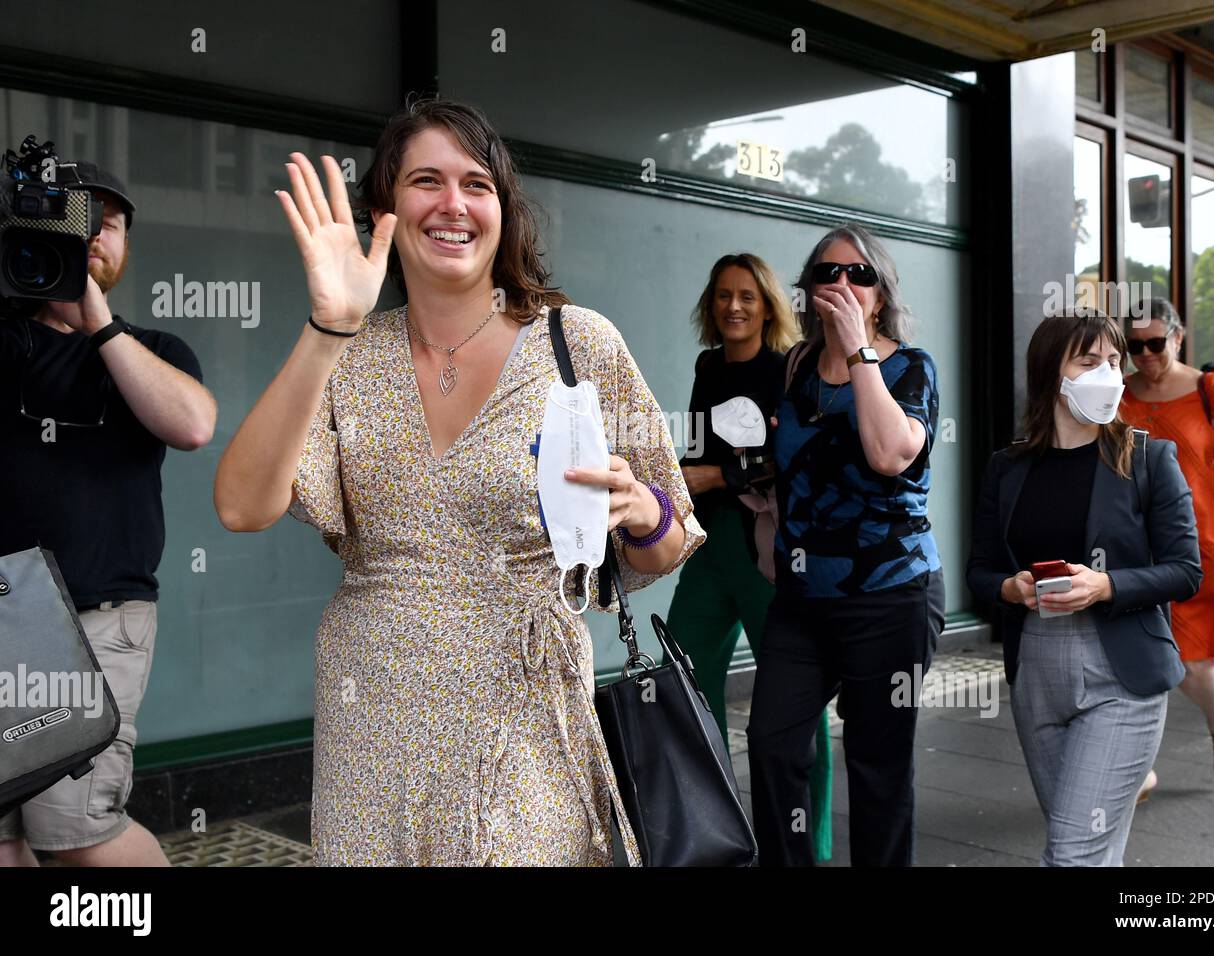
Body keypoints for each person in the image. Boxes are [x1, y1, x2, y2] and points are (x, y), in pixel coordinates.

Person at [213, 98, 704, 866]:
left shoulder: (577, 343)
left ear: (503, 209)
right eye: (425, 182)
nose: (452, 204)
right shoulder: (347, 357)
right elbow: (242, 505)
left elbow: (666, 548)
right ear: (386, 208)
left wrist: (644, 511)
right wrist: (326, 327)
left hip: (527, 711)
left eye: (476, 184)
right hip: (369, 713)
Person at [0, 163, 215, 867]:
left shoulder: (152, 350)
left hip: (92, 618)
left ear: (123, 247)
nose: (89, 235)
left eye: (107, 224)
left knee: (80, 833)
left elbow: (191, 425)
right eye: (70, 220)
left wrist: (94, 319)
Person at [967, 311, 1202, 866]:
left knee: (1072, 855)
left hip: (1122, 674)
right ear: (1053, 373)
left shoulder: (1148, 458)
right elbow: (979, 570)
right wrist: (1010, 588)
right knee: (1092, 851)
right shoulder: (1008, 467)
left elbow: (1186, 570)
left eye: (1115, 362)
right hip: (1038, 675)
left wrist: (1106, 585)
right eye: (1089, 360)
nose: (1109, 373)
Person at [746, 224, 944, 866]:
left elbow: (890, 454)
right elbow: (793, 465)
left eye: (860, 275)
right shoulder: (797, 367)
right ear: (807, 291)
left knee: (877, 766)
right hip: (803, 597)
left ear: (880, 295)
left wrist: (859, 350)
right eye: (828, 273)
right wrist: (769, 510)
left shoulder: (910, 367)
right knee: (773, 746)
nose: (842, 285)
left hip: (890, 595)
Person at [666, 252, 834, 862]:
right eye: (722, 296)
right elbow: (691, 451)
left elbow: (795, 455)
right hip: (712, 546)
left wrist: (717, 475)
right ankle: (717, 828)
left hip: (773, 549)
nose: (733, 306)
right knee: (686, 677)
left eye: (747, 296)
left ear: (767, 305)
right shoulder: (708, 366)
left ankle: (806, 844)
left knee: (796, 697)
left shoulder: (789, 369)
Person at [1120, 299, 1214, 790]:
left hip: (1200, 545)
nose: (1147, 355)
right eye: (1135, 347)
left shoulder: (1208, 389)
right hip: (1133, 546)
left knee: (1195, 661)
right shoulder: (1118, 390)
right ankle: (1138, 774)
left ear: (1178, 336)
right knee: (1133, 660)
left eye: (1156, 343)